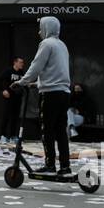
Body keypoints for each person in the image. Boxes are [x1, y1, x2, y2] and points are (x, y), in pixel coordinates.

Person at [14, 17, 73, 175]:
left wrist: (22, 82)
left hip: (50, 94)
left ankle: (50, 165)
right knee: (60, 130)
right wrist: (36, 84)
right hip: (64, 93)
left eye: (41, 28)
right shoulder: (62, 45)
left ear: (47, 28)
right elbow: (54, 70)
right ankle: (65, 166)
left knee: (47, 130)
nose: (39, 31)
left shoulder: (46, 44)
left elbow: (36, 66)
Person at [0, 57, 27, 144]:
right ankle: (3, 136)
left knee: (15, 118)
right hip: (9, 97)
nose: (22, 64)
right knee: (6, 116)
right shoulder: (8, 71)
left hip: (17, 98)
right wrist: (3, 90)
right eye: (20, 62)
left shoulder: (21, 73)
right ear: (15, 63)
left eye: (22, 62)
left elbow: (23, 84)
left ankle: (12, 136)